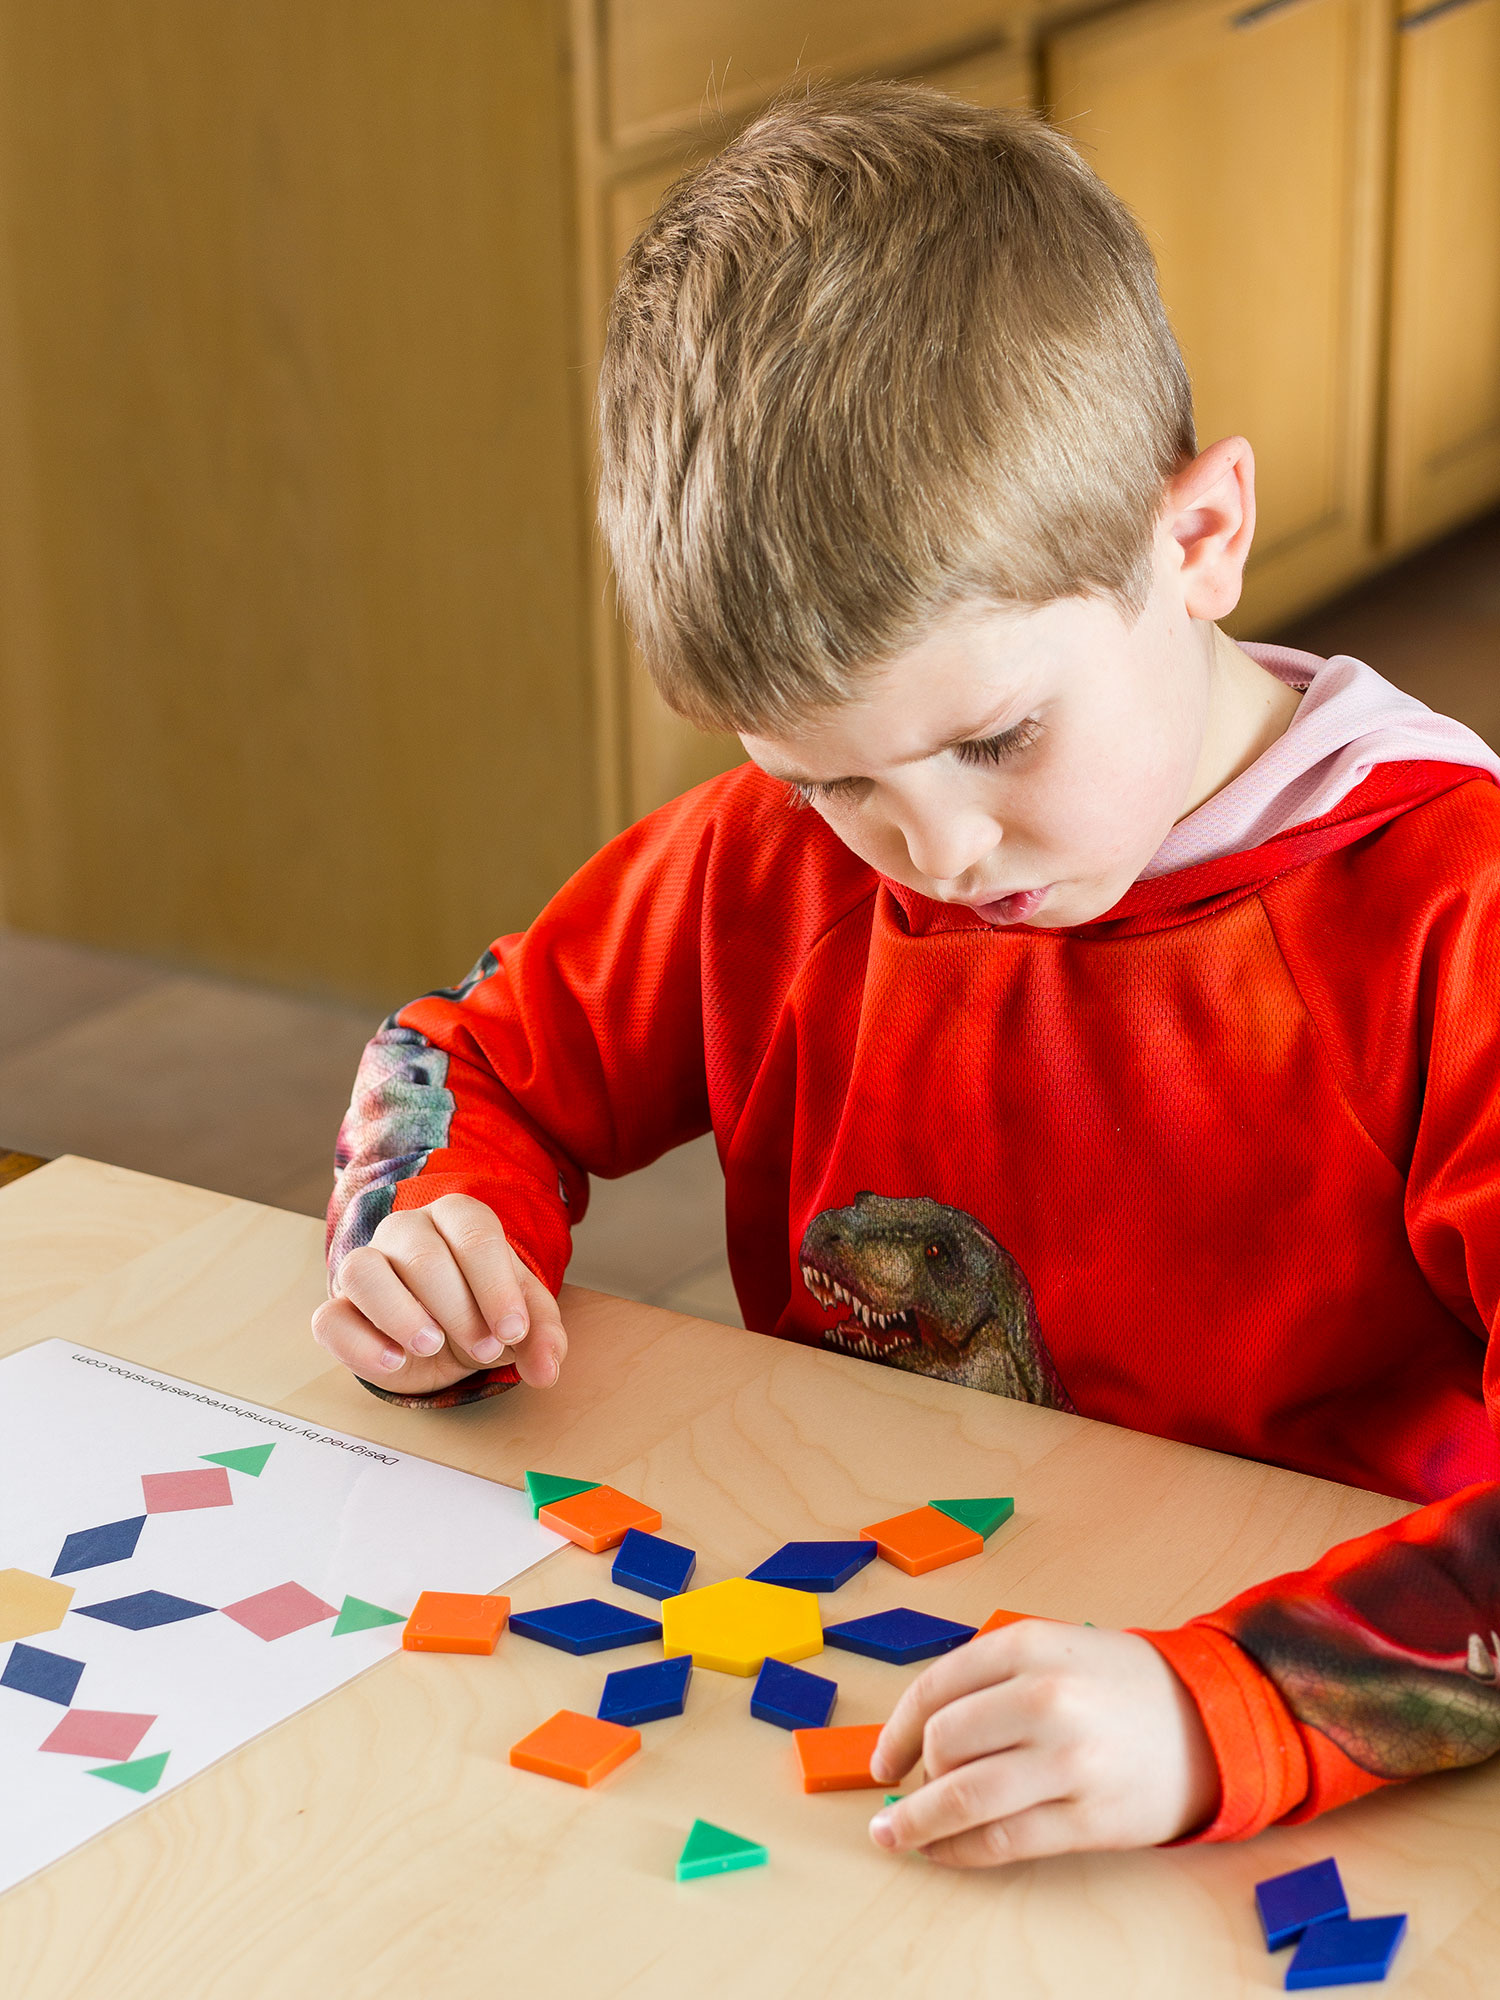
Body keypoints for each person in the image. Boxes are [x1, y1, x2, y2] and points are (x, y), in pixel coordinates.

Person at [313, 82, 1500, 1867]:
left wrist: (1220, 1714)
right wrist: (428, 1227)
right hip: (862, 1673)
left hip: (1298, 1758)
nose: (930, 851)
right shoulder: (771, 860)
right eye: (829, 779)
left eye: (998, 739)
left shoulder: (1450, 918)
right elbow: (461, 1059)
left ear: (1198, 540)